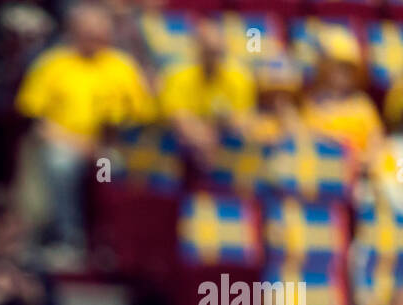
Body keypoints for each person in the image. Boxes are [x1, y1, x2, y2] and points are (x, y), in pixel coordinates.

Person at [14, 1, 155, 268]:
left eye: (102, 37)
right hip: (64, 144)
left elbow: (142, 117)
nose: (97, 42)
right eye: (90, 36)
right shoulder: (52, 64)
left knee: (116, 169)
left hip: (110, 148)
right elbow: (36, 121)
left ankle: (112, 245)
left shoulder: (122, 66)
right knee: (60, 164)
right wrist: (79, 144)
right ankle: (69, 240)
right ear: (73, 33)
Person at [156, 19, 257, 168]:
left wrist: (218, 129)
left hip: (225, 143)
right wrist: (207, 134)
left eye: (218, 53)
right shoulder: (177, 76)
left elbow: (244, 121)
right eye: (209, 53)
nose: (214, 59)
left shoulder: (239, 78)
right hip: (182, 149)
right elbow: (180, 121)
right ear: (197, 50)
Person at [302, 26, 383, 161]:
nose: (343, 74)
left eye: (348, 69)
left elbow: (377, 146)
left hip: (359, 173)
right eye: (337, 67)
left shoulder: (363, 105)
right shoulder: (310, 104)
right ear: (323, 68)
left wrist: (360, 160)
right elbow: (303, 143)